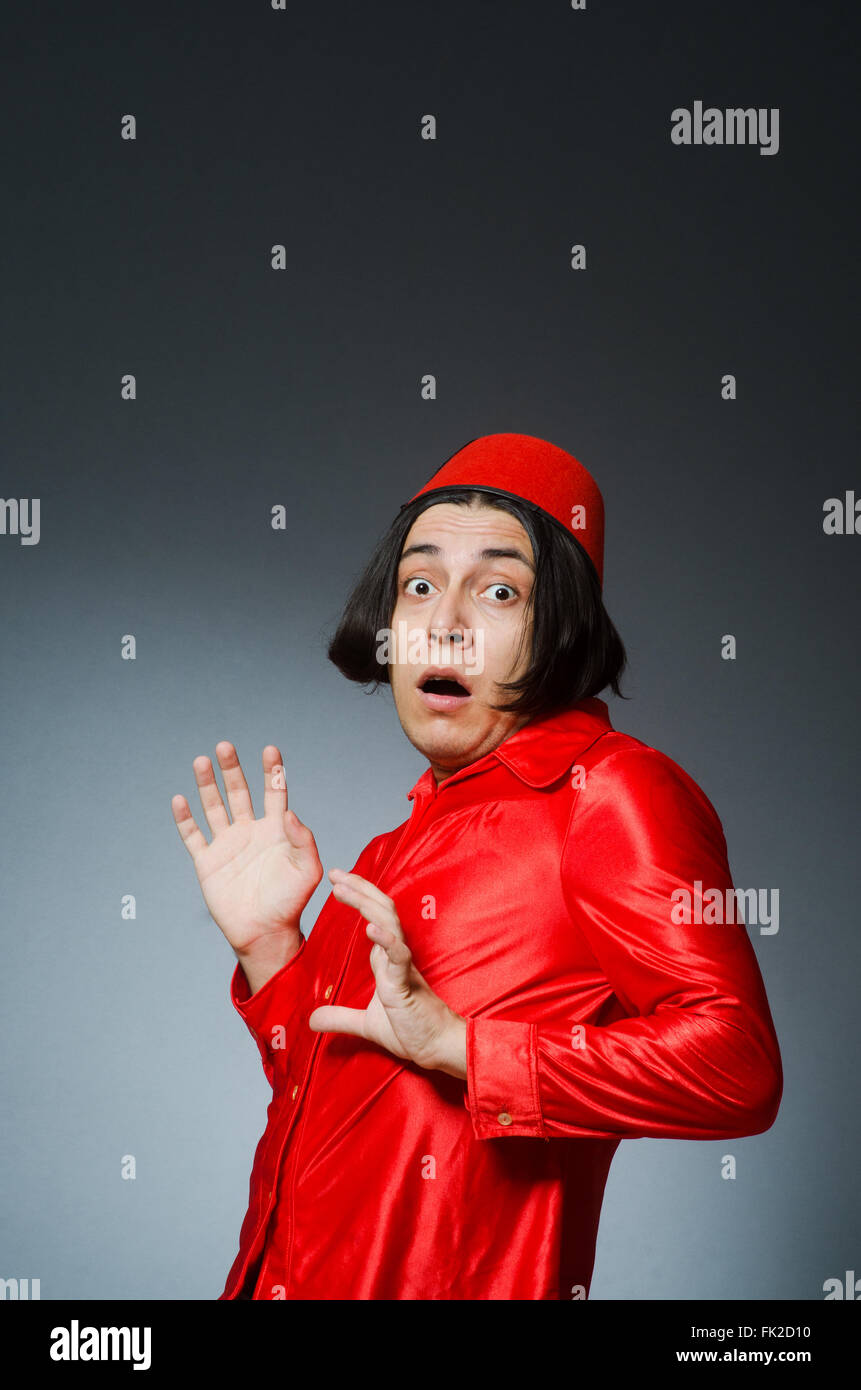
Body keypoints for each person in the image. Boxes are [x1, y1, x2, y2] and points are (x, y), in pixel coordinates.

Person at [171, 432, 782, 1300]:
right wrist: (270, 947)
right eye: (418, 584)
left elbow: (738, 1069)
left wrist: (466, 1049)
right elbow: (330, 1096)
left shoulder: (611, 792)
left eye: (498, 590)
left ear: (561, 629)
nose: (444, 622)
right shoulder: (389, 850)